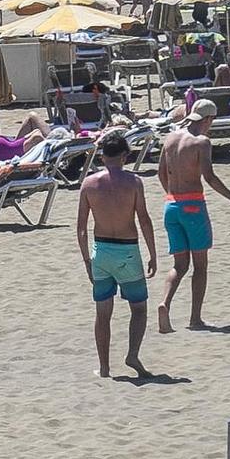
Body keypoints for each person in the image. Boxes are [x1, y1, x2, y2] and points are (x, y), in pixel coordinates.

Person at [154, 100, 230, 333]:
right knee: (200, 266)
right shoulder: (201, 142)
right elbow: (209, 177)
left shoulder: (170, 138)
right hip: (193, 207)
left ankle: (164, 303)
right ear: (208, 120)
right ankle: (195, 319)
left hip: (171, 207)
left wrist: (171, 194)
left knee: (179, 265)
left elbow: (160, 173)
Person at [74, 129, 157, 378]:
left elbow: (81, 229)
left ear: (102, 156)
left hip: (101, 250)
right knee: (139, 308)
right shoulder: (133, 182)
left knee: (102, 314)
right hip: (127, 250)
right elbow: (144, 219)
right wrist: (153, 253)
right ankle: (132, 354)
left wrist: (87, 260)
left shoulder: (89, 184)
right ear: (124, 155)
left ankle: (104, 367)